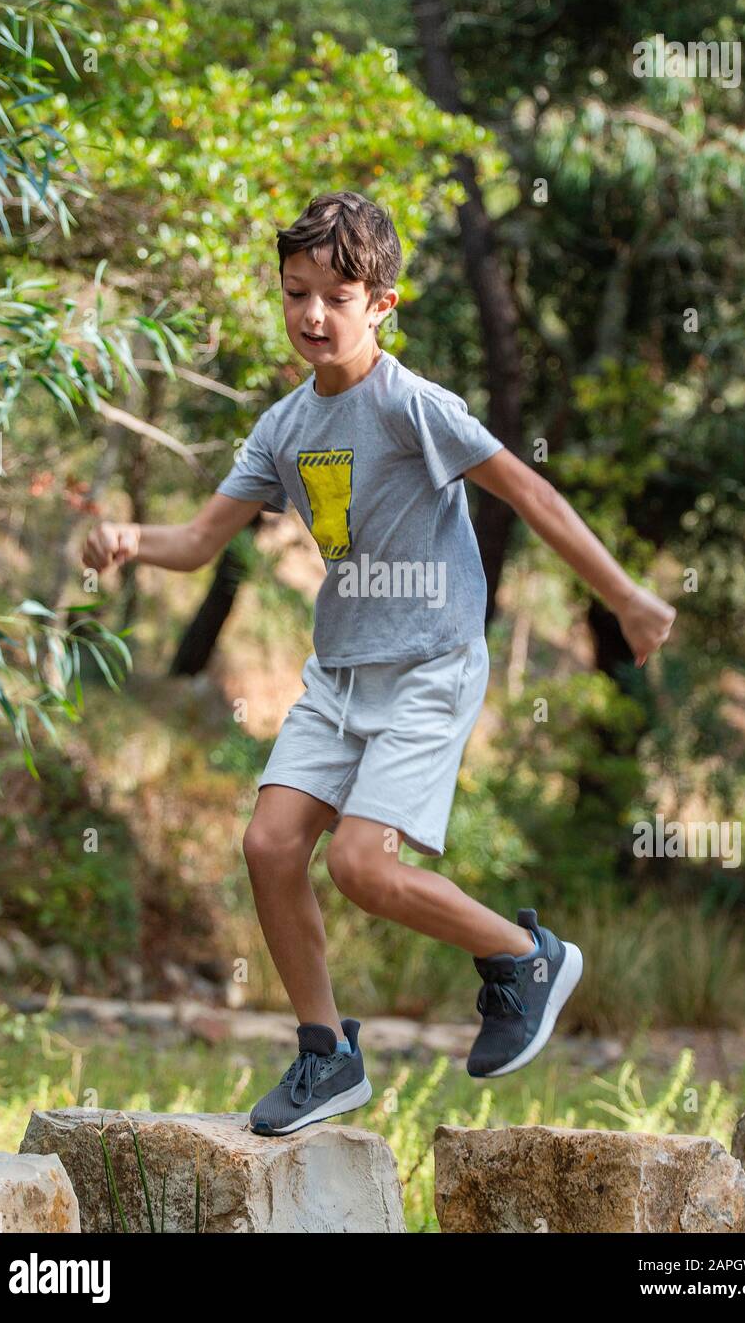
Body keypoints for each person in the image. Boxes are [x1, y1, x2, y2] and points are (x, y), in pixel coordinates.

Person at [81, 190, 676, 1136]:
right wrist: (128, 539)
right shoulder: (282, 428)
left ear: (383, 304)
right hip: (341, 673)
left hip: (431, 665)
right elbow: (199, 540)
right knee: (270, 845)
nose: (313, 315)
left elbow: (530, 494)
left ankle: (525, 956)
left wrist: (625, 597)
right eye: (295, 293)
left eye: (337, 295)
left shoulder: (412, 406)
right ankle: (328, 1055)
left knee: (361, 864)